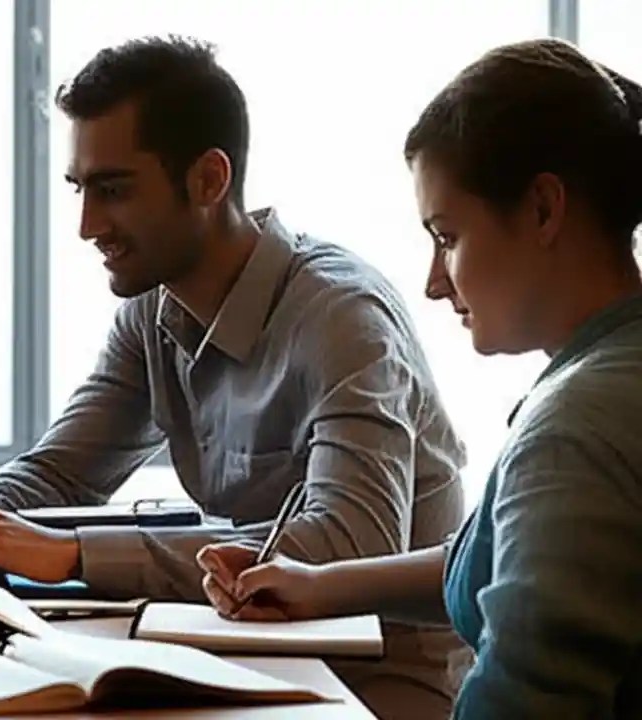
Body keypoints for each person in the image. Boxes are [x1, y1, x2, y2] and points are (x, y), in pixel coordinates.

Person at [0, 35, 467, 717]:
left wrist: (73, 554)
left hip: (380, 689)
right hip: (248, 656)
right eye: (80, 189)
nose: (87, 226)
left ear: (209, 179)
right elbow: (62, 474)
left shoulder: (341, 316)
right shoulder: (154, 310)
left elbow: (349, 546)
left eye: (112, 190)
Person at [199, 38, 642, 719]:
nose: (434, 284)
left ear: (544, 209)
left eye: (447, 236)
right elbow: (503, 563)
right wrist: (318, 586)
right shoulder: (612, 373)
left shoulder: (572, 433)